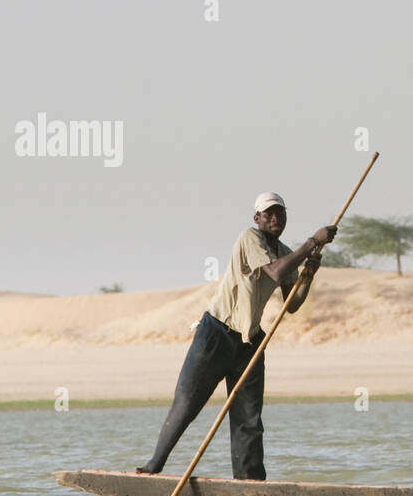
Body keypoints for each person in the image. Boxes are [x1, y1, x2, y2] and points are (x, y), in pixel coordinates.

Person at [137, 192, 337, 480]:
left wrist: (307, 276)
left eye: (280, 213)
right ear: (257, 218)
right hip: (216, 333)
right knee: (187, 402)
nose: (275, 218)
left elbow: (292, 304)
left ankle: (249, 481)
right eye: (268, 214)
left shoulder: (284, 251)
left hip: (250, 342)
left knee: (249, 420)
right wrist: (313, 242)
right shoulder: (249, 238)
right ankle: (153, 466)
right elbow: (277, 273)